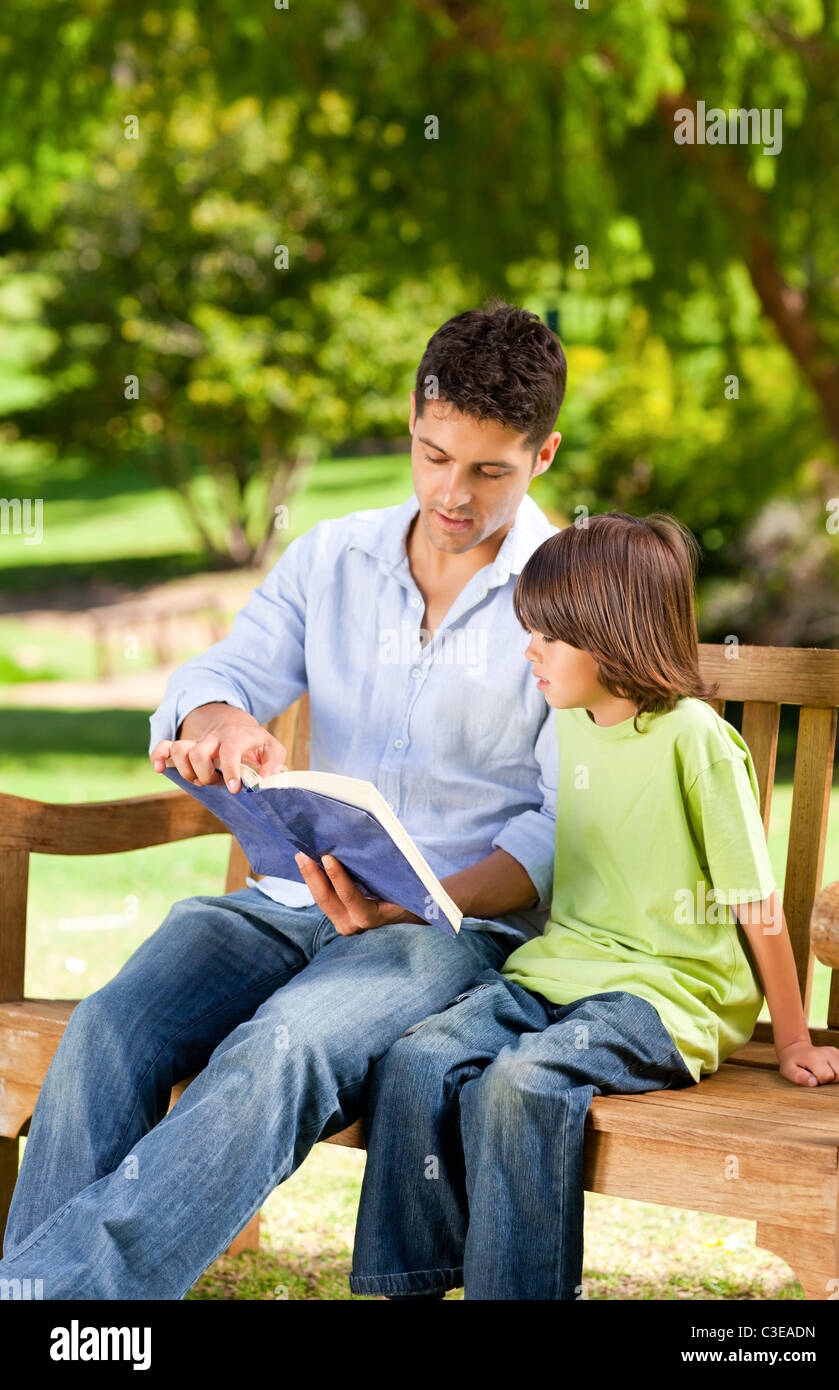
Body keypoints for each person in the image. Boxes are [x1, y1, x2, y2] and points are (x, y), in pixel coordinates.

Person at [0, 298, 566, 1299]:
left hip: (442, 927)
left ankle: (50, 1303)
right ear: (410, 419)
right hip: (291, 897)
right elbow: (220, 674)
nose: (450, 492)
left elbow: (560, 824)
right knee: (109, 1023)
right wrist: (218, 717)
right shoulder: (330, 556)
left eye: (488, 470)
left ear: (543, 456)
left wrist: (428, 896)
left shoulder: (566, 597)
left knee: (280, 1047)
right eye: (433, 455)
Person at [348, 511, 839, 1302]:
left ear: (612, 636)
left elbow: (757, 904)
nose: (529, 651)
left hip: (668, 994)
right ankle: (410, 1286)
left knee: (520, 1084)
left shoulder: (696, 741)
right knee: (419, 1058)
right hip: (562, 972)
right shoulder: (570, 724)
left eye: (549, 636)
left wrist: (791, 1039)